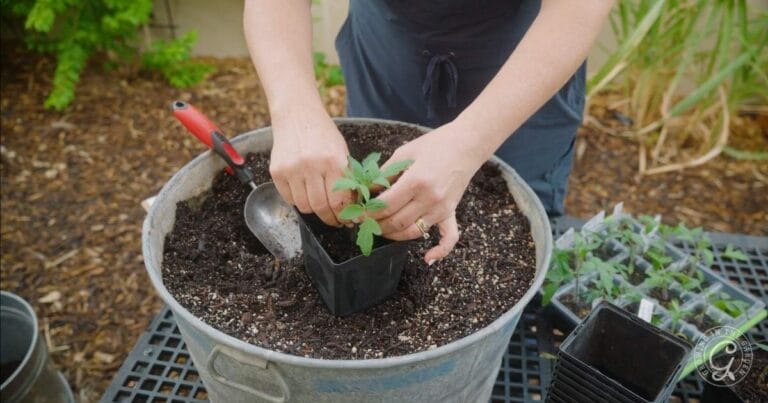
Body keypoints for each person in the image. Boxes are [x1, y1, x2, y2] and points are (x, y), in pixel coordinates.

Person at [244, 0, 613, 264]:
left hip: (520, 73)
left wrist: (469, 142)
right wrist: (295, 111)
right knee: (381, 195)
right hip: (388, 55)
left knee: (511, 255)